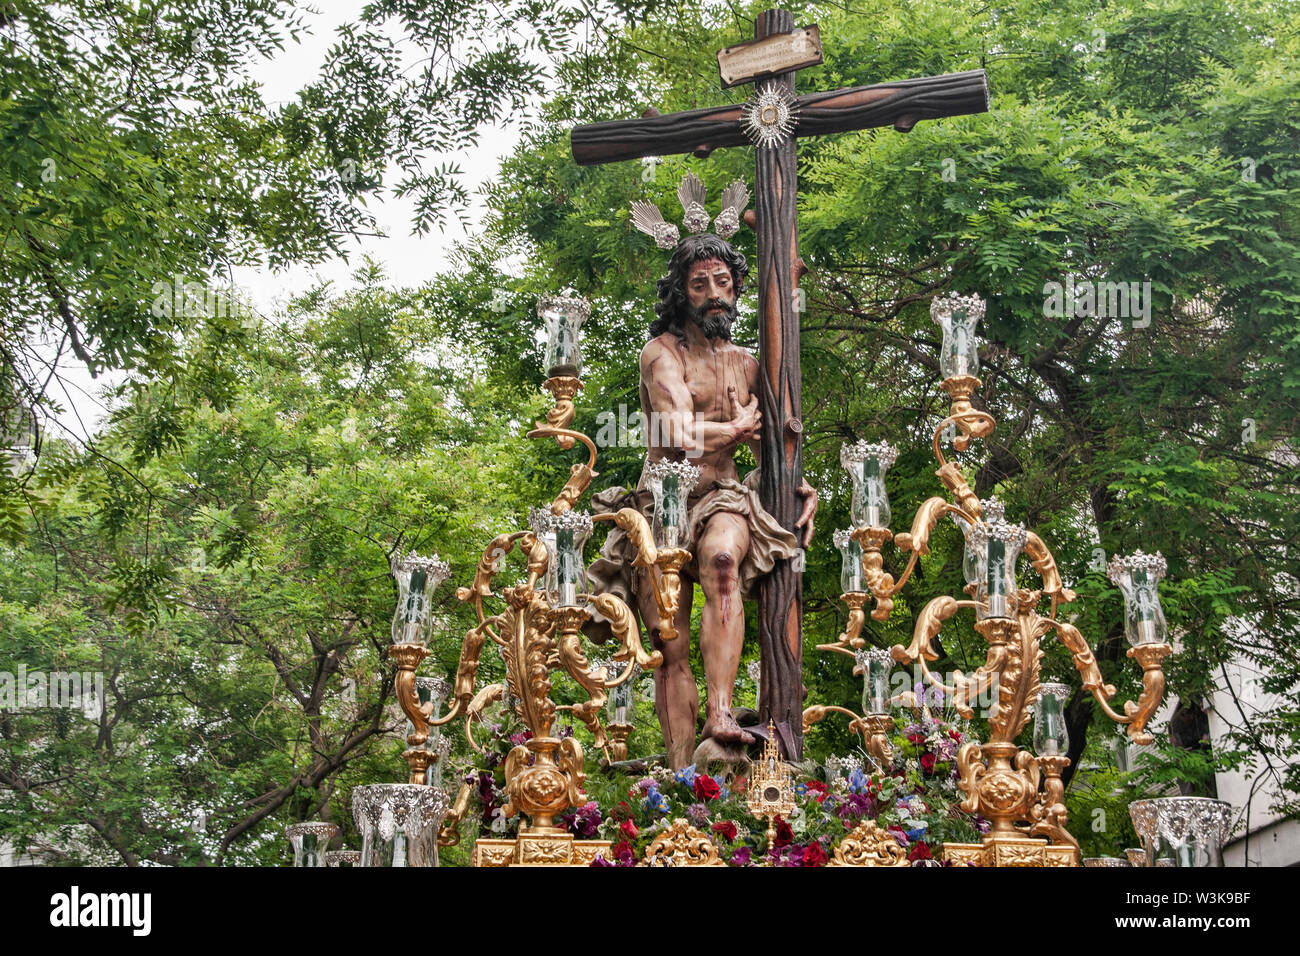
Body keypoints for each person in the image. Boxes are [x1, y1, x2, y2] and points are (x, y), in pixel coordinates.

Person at [588, 233, 816, 768]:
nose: (713, 293)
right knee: (669, 645)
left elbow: (771, 442)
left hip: (721, 495)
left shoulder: (750, 364)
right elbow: (675, 433)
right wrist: (733, 427)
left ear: (737, 289)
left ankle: (721, 712)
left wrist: (797, 482)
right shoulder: (661, 355)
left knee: (722, 563)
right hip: (659, 507)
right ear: (680, 293)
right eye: (699, 284)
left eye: (722, 282)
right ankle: (681, 775)